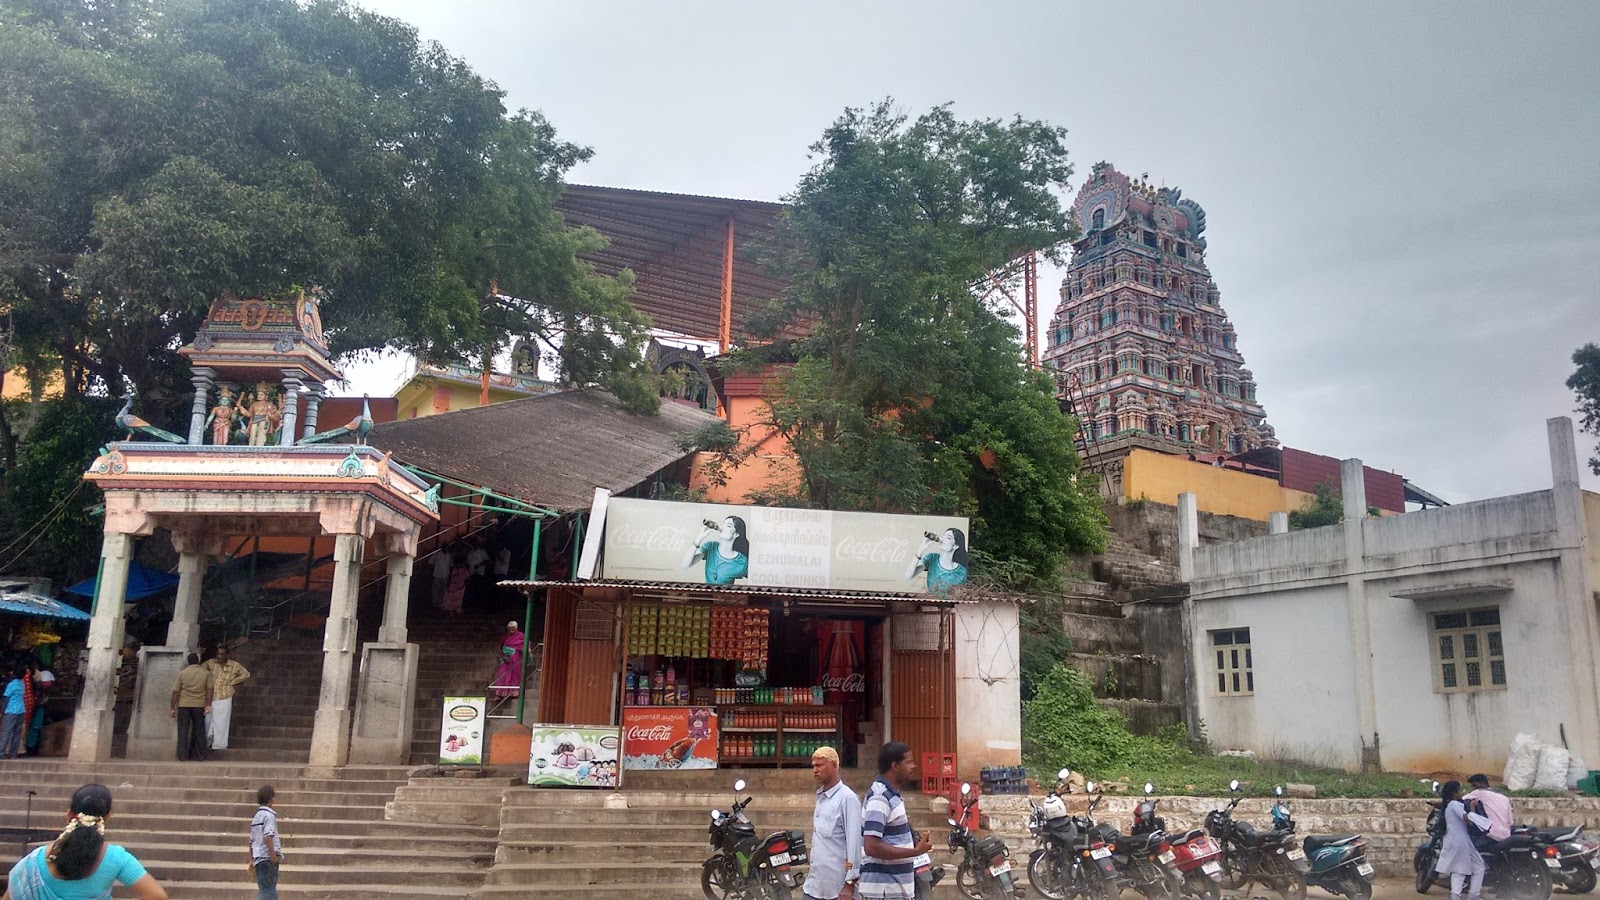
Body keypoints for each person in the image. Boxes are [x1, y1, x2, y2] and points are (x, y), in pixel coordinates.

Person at [2, 782, 168, 899]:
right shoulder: (116, 857)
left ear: (69, 815)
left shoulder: (32, 862)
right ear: (107, 817)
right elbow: (157, 896)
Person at [860, 742, 932, 900]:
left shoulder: (893, 795)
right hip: (884, 891)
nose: (913, 766)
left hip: (895, 890)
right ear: (895, 766)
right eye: (909, 762)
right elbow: (871, 846)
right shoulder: (880, 798)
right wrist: (915, 851)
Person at [805, 746, 862, 900]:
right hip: (814, 886)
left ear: (834, 765)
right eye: (813, 766)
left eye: (819, 765)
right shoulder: (821, 797)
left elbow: (854, 844)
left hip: (838, 890)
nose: (815, 770)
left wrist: (849, 884)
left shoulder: (847, 799)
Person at [1435, 780, 1490, 900]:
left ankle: (1463, 896)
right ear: (1454, 793)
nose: (1462, 792)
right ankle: (1470, 896)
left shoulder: (1449, 805)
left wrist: (1471, 809)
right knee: (1469, 868)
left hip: (1457, 840)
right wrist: (1474, 811)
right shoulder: (1454, 804)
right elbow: (1467, 820)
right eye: (1460, 790)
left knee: (1465, 868)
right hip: (1460, 841)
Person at [203, 645, 251, 751]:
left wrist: (232, 682)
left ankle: (219, 745)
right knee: (208, 721)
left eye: (222, 654)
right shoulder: (210, 663)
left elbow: (246, 674)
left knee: (222, 722)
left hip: (225, 696)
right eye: (218, 654)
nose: (220, 656)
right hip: (211, 696)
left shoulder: (234, 665)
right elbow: (201, 670)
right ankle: (208, 742)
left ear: (227, 655)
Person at [170, 652, 212, 762]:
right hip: (199, 705)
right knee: (199, 730)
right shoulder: (206, 673)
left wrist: (173, 707)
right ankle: (200, 755)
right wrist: (208, 704)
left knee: (183, 731)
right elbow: (209, 690)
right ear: (198, 661)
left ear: (188, 661)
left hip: (184, 705)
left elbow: (175, 691)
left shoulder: (182, 674)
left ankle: (182, 756)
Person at [683, 516, 749, 585]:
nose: (722, 527)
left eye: (728, 526)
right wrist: (699, 537)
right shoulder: (710, 547)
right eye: (723, 524)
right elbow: (685, 564)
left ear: (736, 534)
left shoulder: (742, 562)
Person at [248, 784, 284, 900]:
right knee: (269, 891)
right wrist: (273, 856)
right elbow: (268, 837)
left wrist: (251, 860)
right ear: (270, 799)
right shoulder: (269, 816)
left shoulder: (256, 817)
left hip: (258, 858)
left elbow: (251, 841)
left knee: (264, 889)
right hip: (268, 858)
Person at [1463, 774, 1513, 841]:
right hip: (1506, 836)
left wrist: (1472, 806)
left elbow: (1461, 799)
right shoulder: (1504, 798)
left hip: (1491, 835)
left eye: (1475, 785)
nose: (1474, 788)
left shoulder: (1479, 792)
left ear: (1483, 784)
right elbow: (1510, 822)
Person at [490, 621, 526, 699]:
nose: (511, 630)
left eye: (513, 628)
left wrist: (517, 650)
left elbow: (525, 646)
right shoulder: (505, 636)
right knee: (502, 674)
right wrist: (503, 657)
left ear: (516, 628)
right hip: (505, 660)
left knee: (514, 675)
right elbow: (499, 647)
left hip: (515, 660)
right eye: (509, 628)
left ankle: (513, 693)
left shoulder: (521, 636)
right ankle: (499, 694)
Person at [1, 664, 25, 759]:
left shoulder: (11, 684)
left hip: (11, 710)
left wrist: (2, 711)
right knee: (16, 733)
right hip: (21, 710)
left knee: (6, 732)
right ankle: (13, 754)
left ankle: (1, 753)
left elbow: (6, 698)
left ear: (14, 674)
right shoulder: (22, 684)